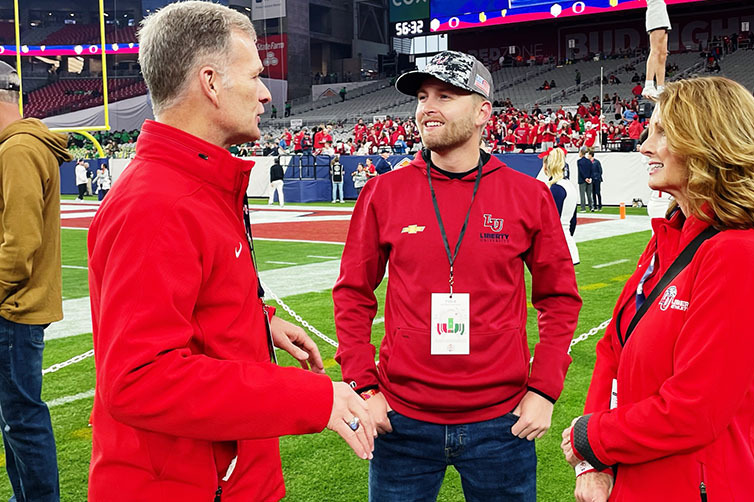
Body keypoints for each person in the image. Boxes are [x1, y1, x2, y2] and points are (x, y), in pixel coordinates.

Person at [86, 3, 374, 500]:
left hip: (221, 475)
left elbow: (195, 303)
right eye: (256, 76)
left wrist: (256, 323)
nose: (265, 93)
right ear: (211, 83)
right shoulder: (159, 202)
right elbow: (140, 379)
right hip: (186, 483)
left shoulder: (191, 185)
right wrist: (315, 398)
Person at [333, 50, 581, 502]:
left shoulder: (528, 196)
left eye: (445, 95)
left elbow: (559, 298)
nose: (428, 107)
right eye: (423, 96)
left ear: (483, 110)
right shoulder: (383, 192)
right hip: (400, 419)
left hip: (502, 422)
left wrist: (545, 389)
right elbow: (353, 293)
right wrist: (363, 384)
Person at [561, 76, 754, 501]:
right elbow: (613, 349)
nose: (644, 146)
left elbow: (694, 411)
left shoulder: (741, 254)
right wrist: (596, 461)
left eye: (662, 132)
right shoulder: (670, 236)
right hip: (637, 477)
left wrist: (590, 437)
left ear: (710, 141)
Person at [0, 58, 72, 502]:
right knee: (17, 417)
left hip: (13, 308)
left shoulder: (16, 151)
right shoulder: (24, 147)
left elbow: (18, 246)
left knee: (21, 418)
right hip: (20, 306)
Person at [542, 147, 580, 265]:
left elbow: (550, 222)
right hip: (568, 244)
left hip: (558, 248)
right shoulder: (568, 185)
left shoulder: (556, 188)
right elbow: (573, 220)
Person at [642, 0, 671, 100]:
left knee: (663, 54)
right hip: (655, 12)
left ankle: (660, 87)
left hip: (662, 12)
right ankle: (648, 85)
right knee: (655, 50)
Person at [577, 146, 592, 212]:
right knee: (589, 194)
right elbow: (591, 170)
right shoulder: (589, 161)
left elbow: (581, 171)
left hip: (582, 179)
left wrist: (585, 178)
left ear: (581, 153)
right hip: (588, 179)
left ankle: (583, 208)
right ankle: (591, 207)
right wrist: (589, 178)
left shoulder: (579, 161)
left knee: (582, 194)